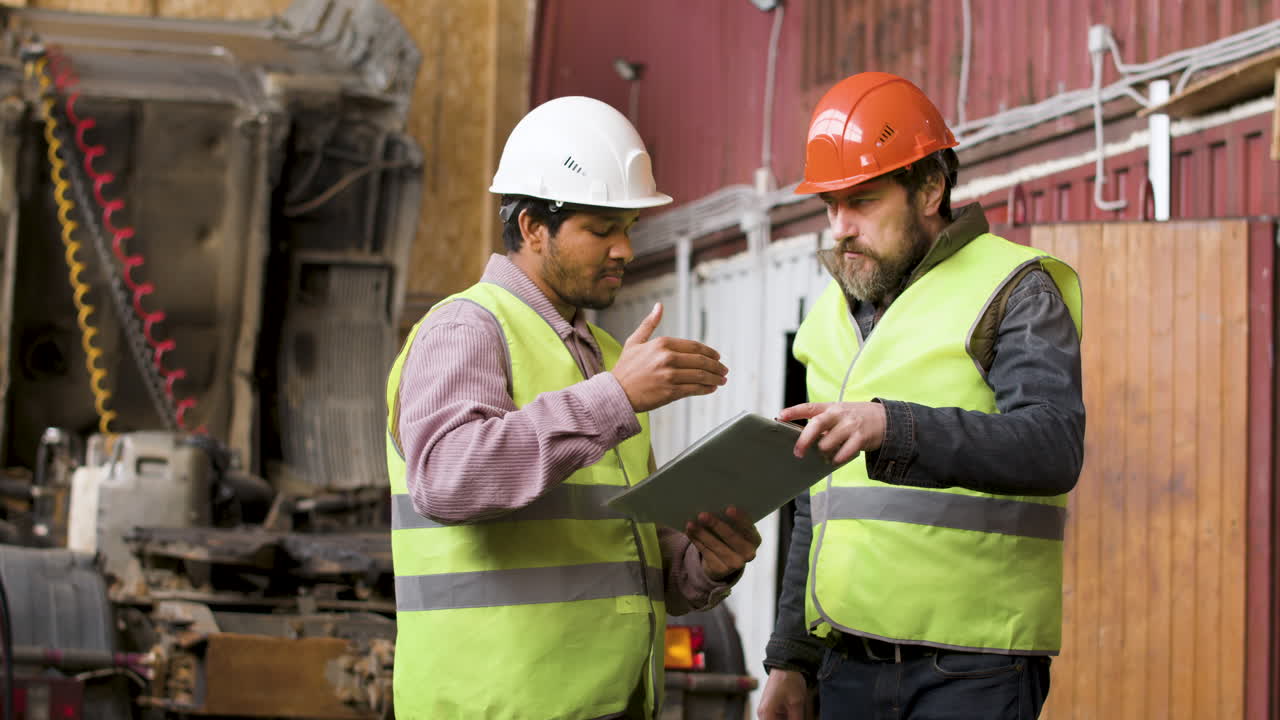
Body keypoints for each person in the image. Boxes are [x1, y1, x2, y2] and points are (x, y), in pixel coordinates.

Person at [385, 95, 763, 720]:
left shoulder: (611, 356)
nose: (625, 250)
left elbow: (632, 555)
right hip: (493, 707)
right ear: (533, 227)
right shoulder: (467, 329)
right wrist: (613, 397)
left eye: (628, 229)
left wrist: (705, 565)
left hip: (611, 705)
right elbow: (445, 478)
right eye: (601, 228)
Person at [757, 72, 1085, 720]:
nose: (840, 227)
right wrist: (789, 658)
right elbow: (817, 504)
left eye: (863, 200)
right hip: (844, 665)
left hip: (972, 670)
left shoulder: (1013, 286)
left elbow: (1053, 443)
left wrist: (893, 427)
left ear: (931, 187)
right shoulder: (828, 316)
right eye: (830, 205)